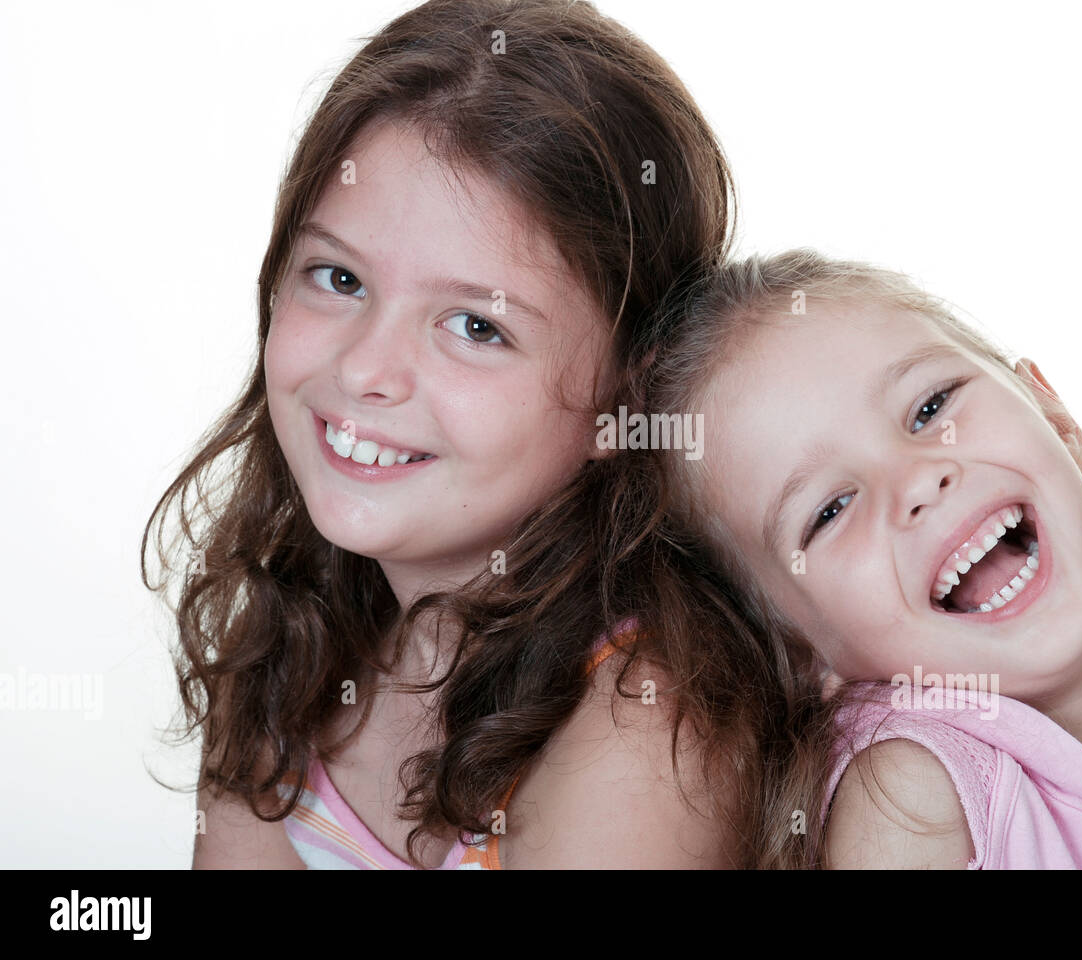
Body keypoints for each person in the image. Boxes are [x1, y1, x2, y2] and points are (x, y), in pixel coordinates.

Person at [142, 0, 789, 869]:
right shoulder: (289, 643)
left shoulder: (642, 730)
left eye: (477, 328)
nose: (368, 367)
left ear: (624, 397)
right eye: (337, 276)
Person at [639, 249, 1082, 868]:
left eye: (931, 407)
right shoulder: (912, 796)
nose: (919, 483)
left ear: (1059, 418)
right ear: (800, 649)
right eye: (830, 511)